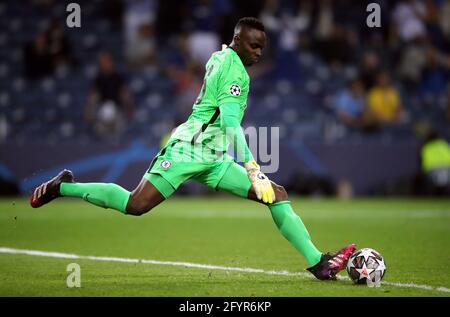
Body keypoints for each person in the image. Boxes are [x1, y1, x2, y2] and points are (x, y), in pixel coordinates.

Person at [30, 17, 355, 281]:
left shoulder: (219, 57)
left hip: (214, 158)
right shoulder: (235, 72)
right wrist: (253, 168)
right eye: (253, 45)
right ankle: (64, 186)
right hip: (188, 150)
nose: (258, 52)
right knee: (136, 204)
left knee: (277, 194)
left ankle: (318, 262)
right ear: (238, 40)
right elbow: (230, 122)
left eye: (262, 47)